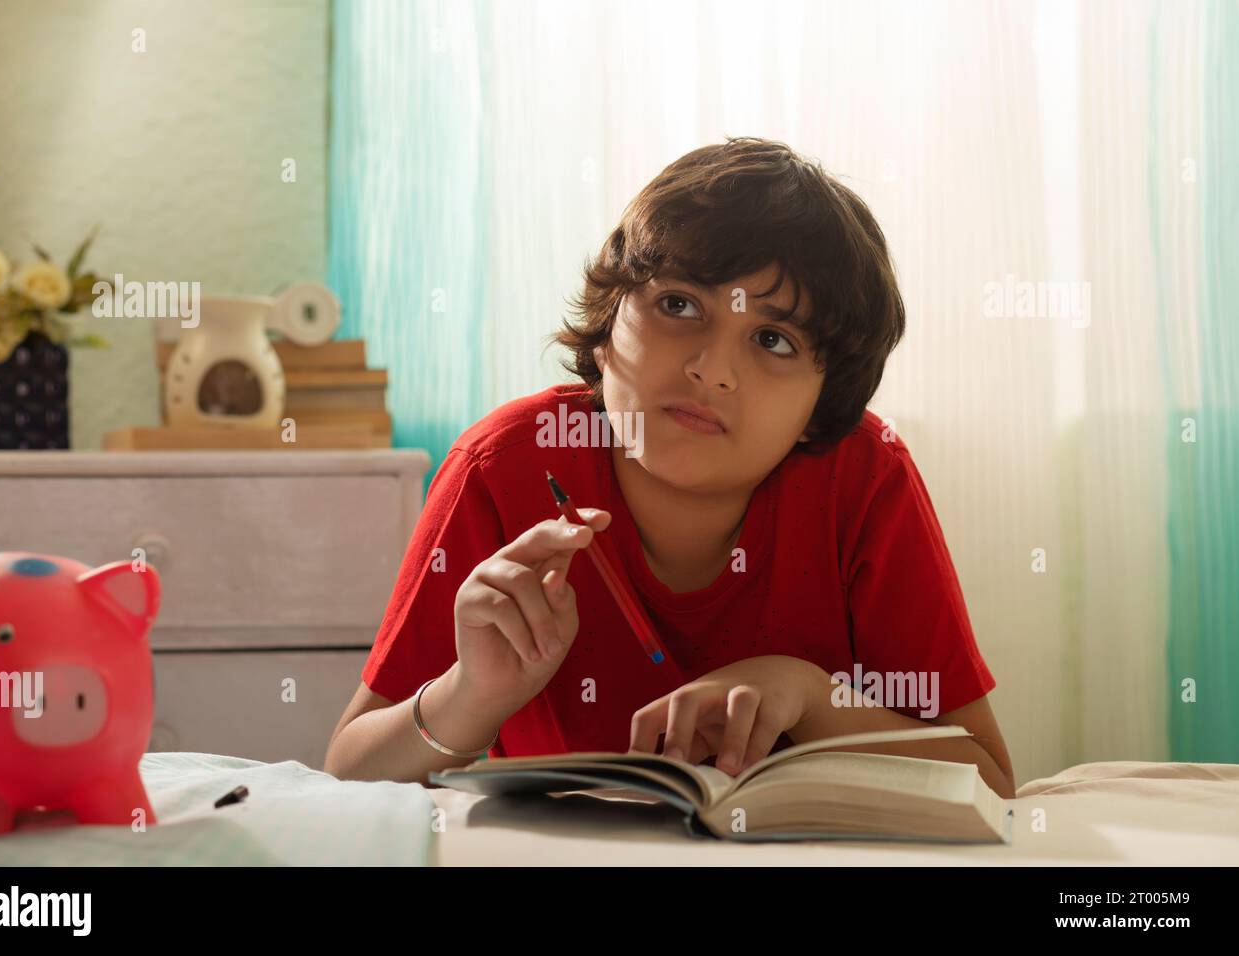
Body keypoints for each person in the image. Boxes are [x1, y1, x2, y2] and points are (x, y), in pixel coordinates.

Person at [324, 136, 1015, 800]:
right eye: (679, 304)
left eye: (773, 340)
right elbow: (348, 772)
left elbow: (988, 781)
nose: (711, 370)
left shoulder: (865, 479)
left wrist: (807, 695)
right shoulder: (503, 467)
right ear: (607, 322)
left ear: (820, 406)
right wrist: (468, 697)